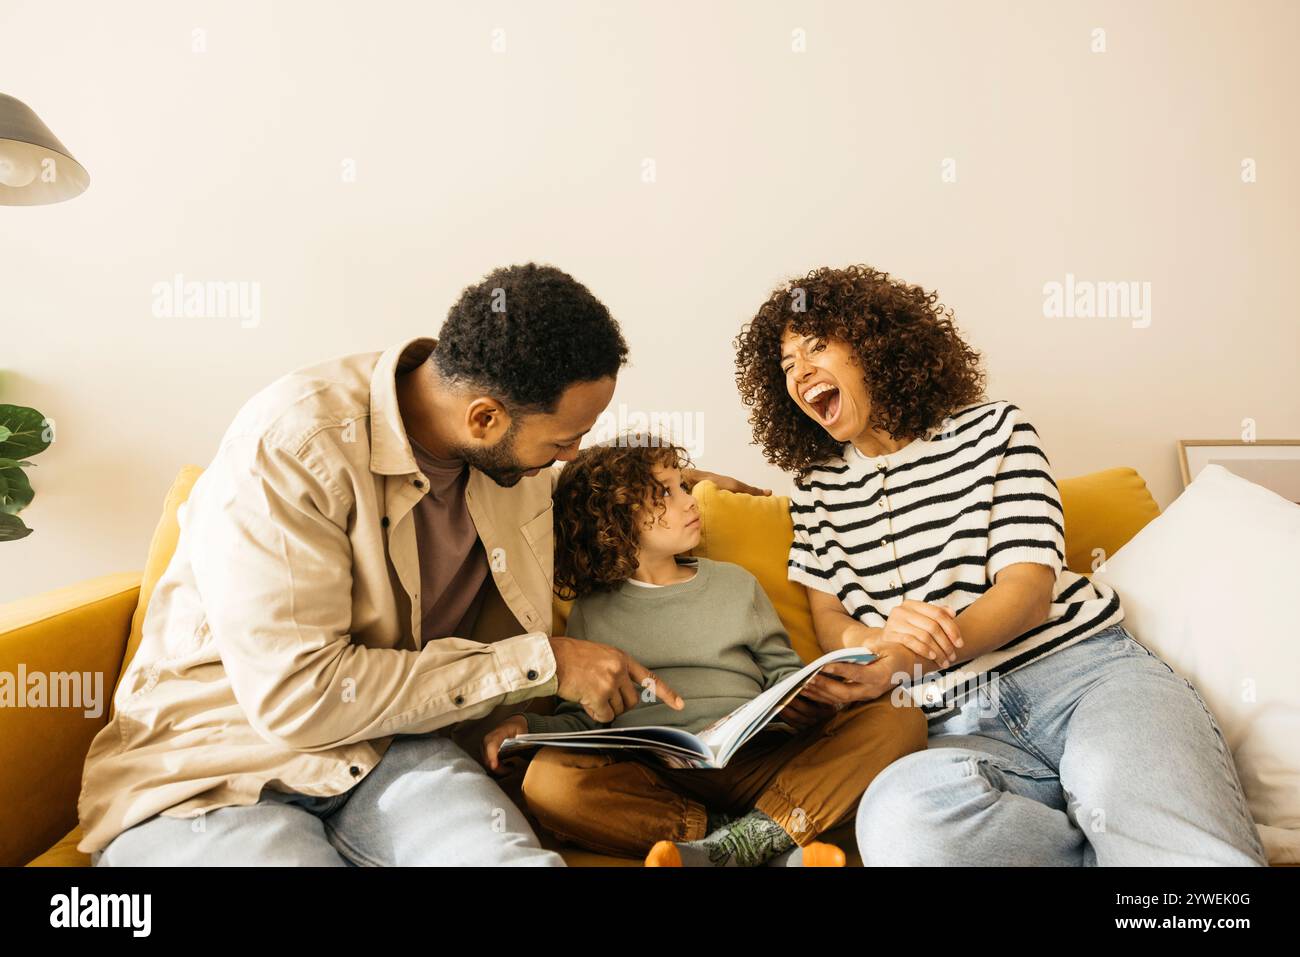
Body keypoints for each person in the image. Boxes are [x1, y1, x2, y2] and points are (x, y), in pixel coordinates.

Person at [81, 262, 763, 866]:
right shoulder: (293, 446)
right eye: (565, 439)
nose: (567, 455)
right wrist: (544, 660)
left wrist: (669, 481)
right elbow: (301, 696)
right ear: (487, 418)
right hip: (220, 770)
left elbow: (559, 481)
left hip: (393, 753)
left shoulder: (497, 454)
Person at [731, 263, 1267, 866]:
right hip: (950, 729)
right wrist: (874, 646)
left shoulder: (994, 430)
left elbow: (1027, 592)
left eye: (817, 347)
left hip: (1082, 680)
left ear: (876, 343)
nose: (801, 373)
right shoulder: (816, 491)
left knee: (1131, 798)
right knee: (903, 821)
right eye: (786, 366)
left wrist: (909, 656)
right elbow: (829, 613)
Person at [482, 436, 926, 866]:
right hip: (659, 774)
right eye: (667, 494)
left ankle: (743, 841)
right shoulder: (592, 611)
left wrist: (806, 701)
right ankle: (744, 838)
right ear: (617, 518)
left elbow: (782, 674)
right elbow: (584, 718)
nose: (689, 501)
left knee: (899, 715)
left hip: (760, 758)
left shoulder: (735, 584)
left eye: (684, 487)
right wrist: (527, 725)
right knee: (548, 780)